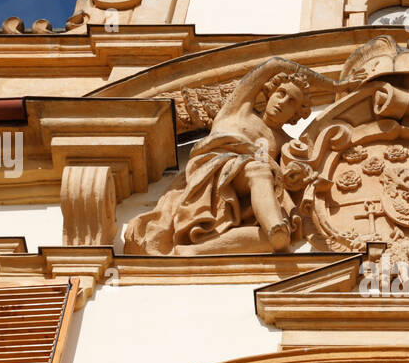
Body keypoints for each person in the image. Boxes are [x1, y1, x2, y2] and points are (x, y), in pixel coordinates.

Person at [124, 59, 314, 256]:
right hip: (214, 171)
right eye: (281, 94)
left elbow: (296, 172)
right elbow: (271, 65)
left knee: (272, 243)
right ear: (270, 93)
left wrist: (294, 174)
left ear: (296, 114)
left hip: (250, 187)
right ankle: (275, 224)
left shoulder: (284, 141)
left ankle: (195, 250)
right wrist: (336, 85)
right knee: (259, 168)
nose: (282, 102)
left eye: (292, 101)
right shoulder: (239, 110)